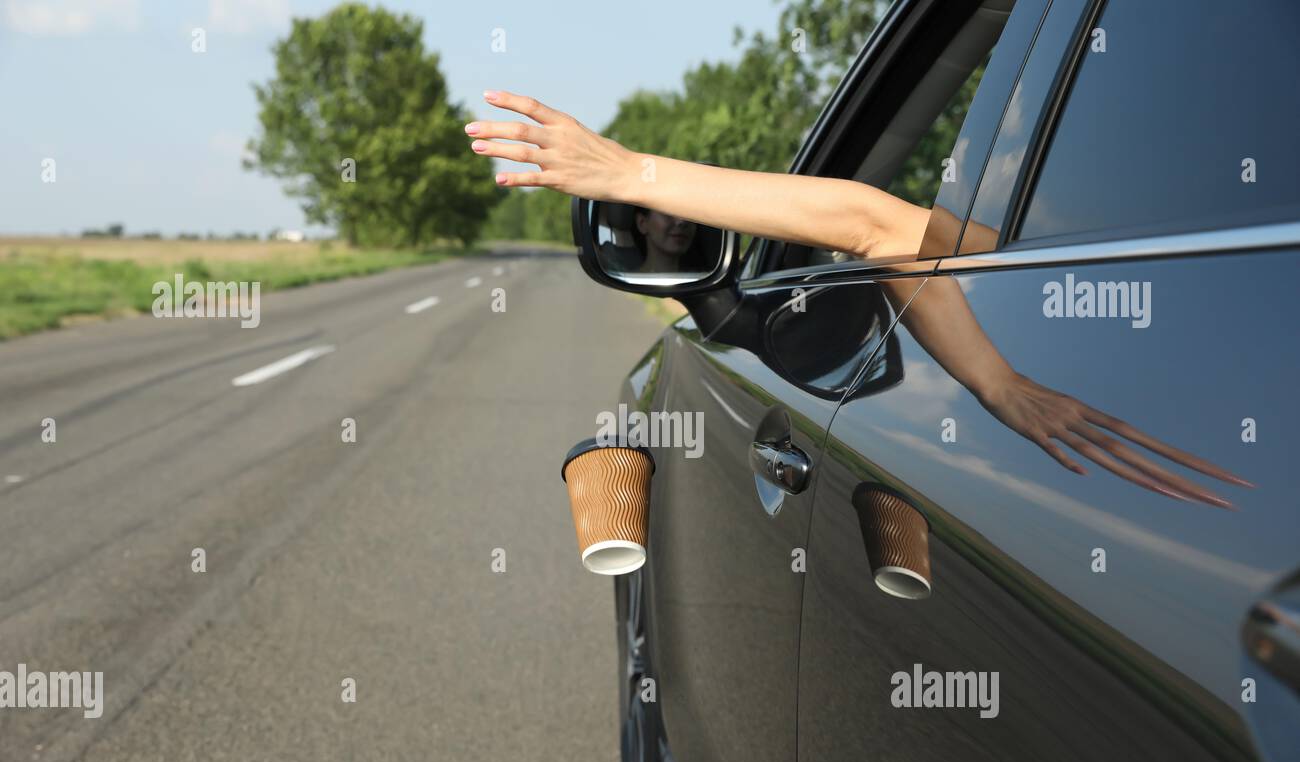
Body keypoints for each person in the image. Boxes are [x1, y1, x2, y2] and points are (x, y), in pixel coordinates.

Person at [465, 90, 1249, 507]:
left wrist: (629, 169)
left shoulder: (1083, 239)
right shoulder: (1172, 248)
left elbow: (875, 226)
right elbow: (879, 229)